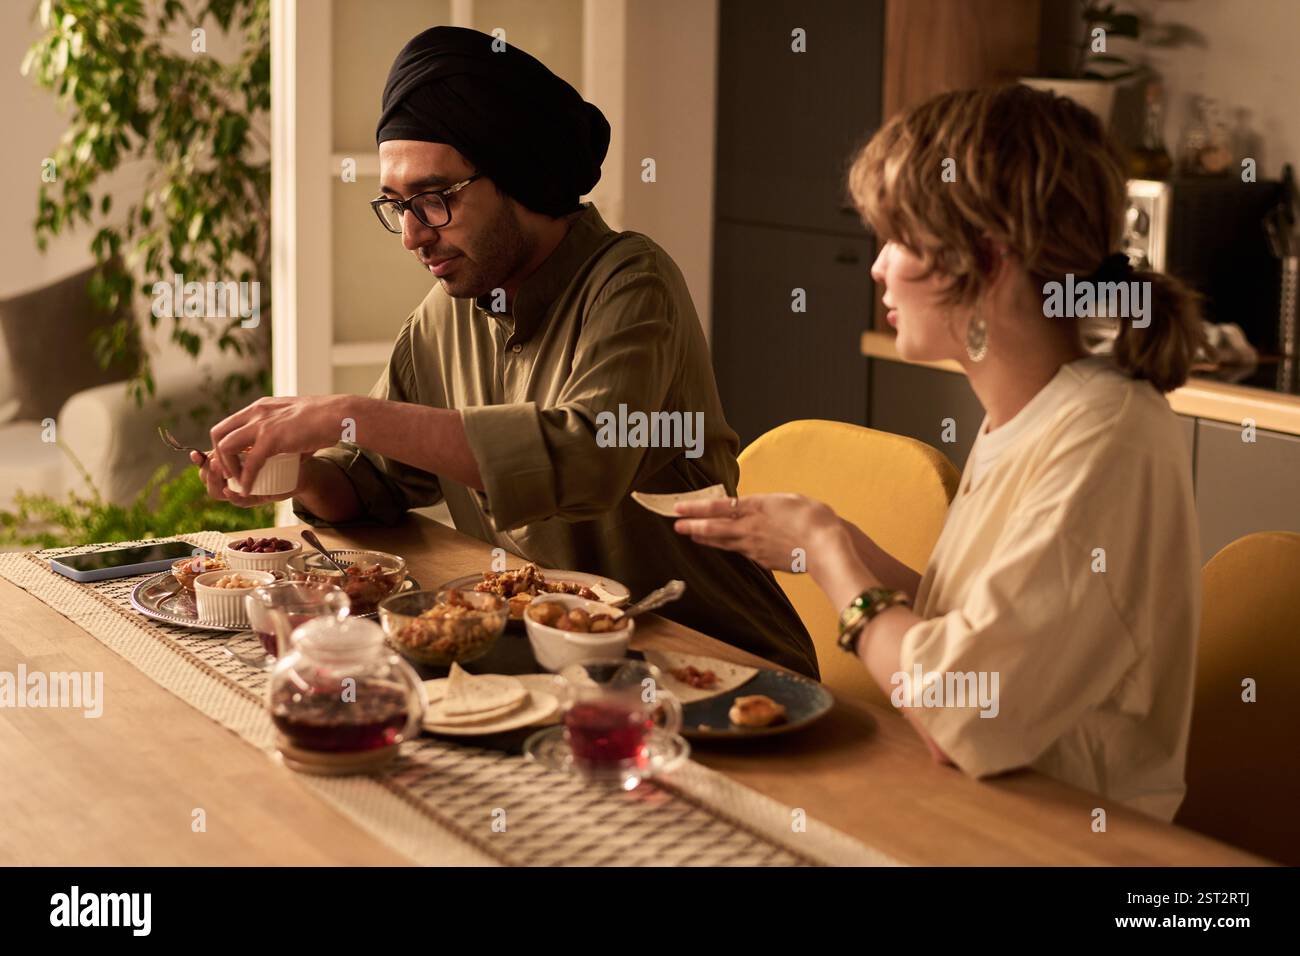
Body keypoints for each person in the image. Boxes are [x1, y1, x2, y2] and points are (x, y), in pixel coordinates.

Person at [191, 26, 816, 677]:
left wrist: (342, 411)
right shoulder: (448, 312)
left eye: (433, 200)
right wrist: (291, 470)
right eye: (396, 204)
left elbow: (584, 457)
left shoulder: (633, 280)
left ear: (519, 177)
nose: (411, 236)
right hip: (557, 666)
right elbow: (374, 482)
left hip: (714, 659)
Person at [674, 84, 1204, 820]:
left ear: (985, 261)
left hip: (1062, 836)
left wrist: (832, 556)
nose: (878, 267)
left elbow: (962, 711)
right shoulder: (1034, 411)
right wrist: (834, 544)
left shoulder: (1103, 436)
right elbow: (989, 633)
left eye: (901, 240)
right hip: (982, 808)